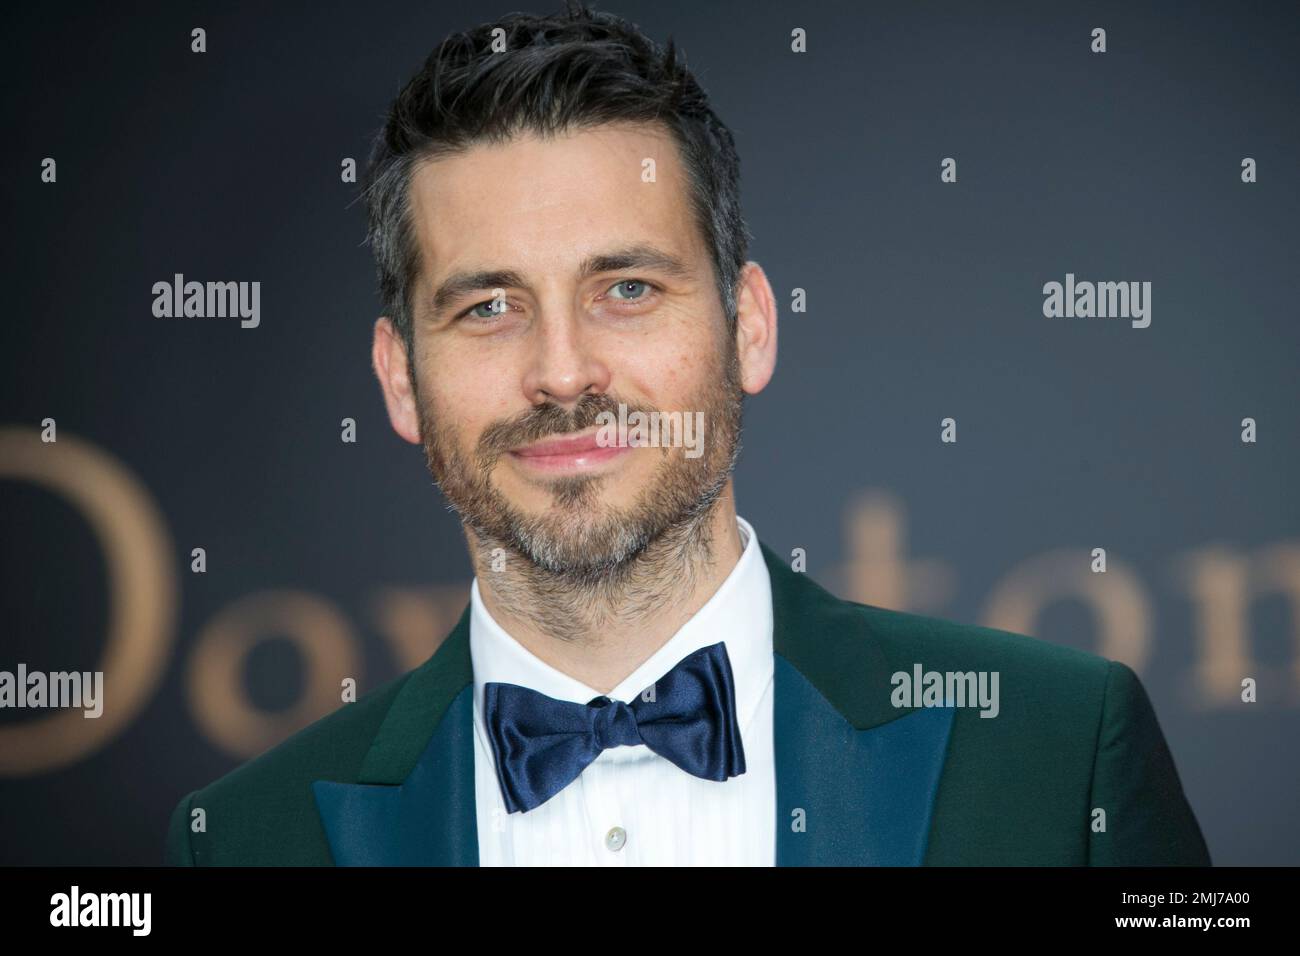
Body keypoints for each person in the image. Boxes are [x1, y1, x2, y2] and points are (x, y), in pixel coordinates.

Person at [165, 2, 1210, 866]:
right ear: (399, 379)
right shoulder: (249, 839)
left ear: (748, 325)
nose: (563, 370)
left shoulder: (1055, 751)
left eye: (626, 287)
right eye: (487, 305)